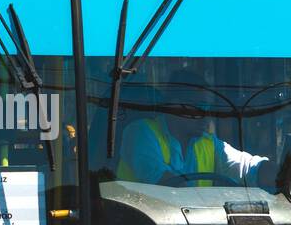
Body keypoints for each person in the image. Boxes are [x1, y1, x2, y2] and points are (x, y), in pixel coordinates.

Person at [115, 69, 269, 186]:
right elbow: (165, 184)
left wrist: (278, 172)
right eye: (200, 108)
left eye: (209, 109)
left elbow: (246, 166)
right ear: (175, 106)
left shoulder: (209, 143)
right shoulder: (141, 133)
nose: (207, 117)